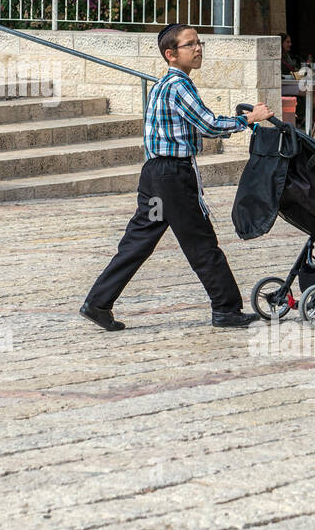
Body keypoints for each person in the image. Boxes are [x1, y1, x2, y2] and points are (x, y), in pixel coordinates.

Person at [78, 23, 272, 332]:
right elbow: (209, 125)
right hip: (172, 177)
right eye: (190, 44)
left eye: (199, 43)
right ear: (171, 54)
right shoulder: (179, 85)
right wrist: (248, 119)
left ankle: (98, 303)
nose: (198, 49)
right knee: (201, 242)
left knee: (138, 241)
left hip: (154, 176)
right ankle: (226, 309)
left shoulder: (161, 85)